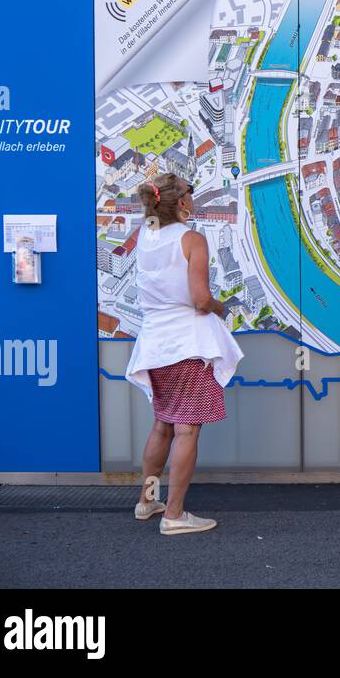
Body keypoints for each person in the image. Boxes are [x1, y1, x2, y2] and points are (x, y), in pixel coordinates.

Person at [125, 173, 243, 536]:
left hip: (154, 345)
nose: (194, 198)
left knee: (162, 424)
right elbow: (200, 299)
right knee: (186, 430)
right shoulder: (192, 239)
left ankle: (148, 501)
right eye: (191, 193)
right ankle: (174, 513)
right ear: (181, 202)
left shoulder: (147, 235)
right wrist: (223, 308)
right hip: (187, 346)